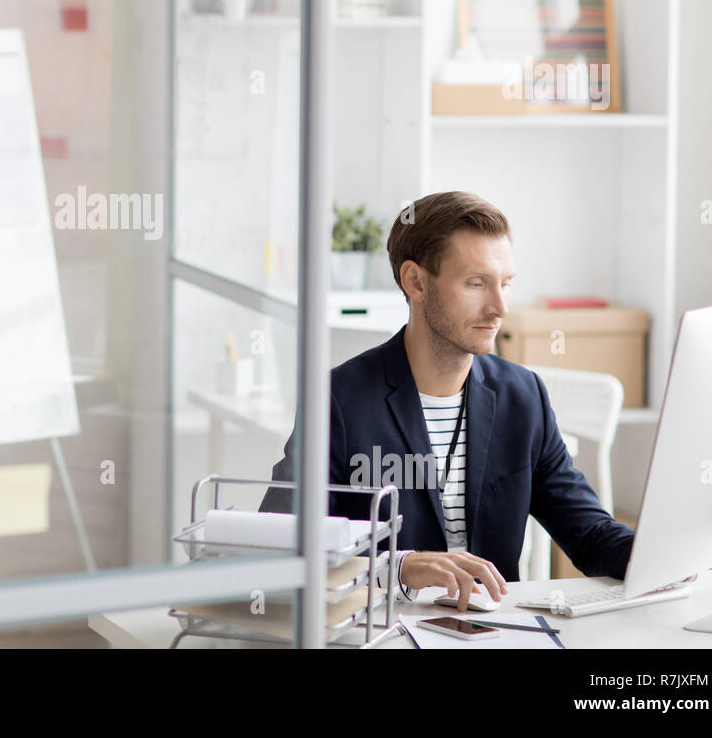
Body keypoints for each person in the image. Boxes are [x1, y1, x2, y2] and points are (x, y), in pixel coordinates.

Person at [260, 190, 634, 609]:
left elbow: (589, 533)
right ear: (415, 282)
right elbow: (279, 541)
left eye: (505, 284)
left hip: (497, 635)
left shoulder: (522, 395)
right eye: (476, 284)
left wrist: (669, 554)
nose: (499, 308)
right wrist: (398, 567)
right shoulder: (339, 400)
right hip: (386, 630)